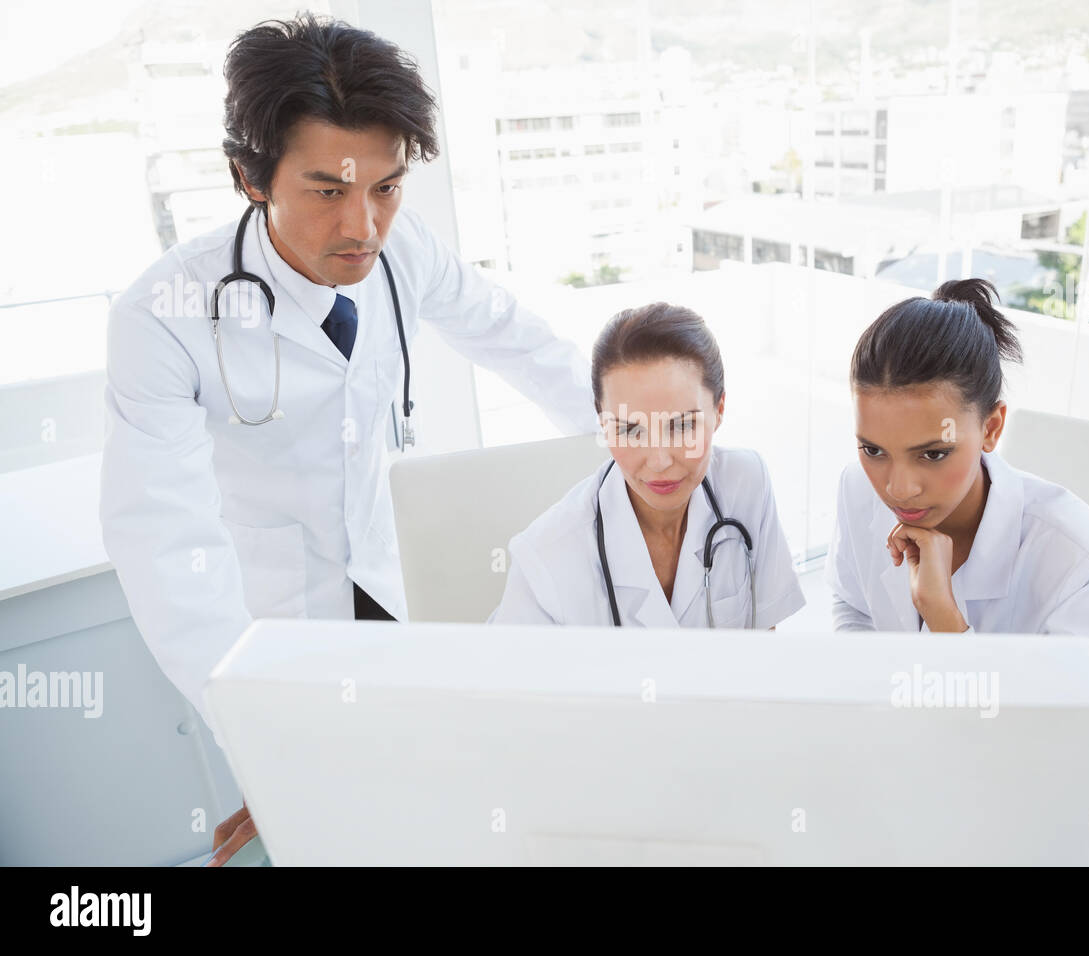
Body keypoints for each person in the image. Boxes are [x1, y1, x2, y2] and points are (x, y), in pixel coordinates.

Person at [98, 14, 595, 865]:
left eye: (388, 188)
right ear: (249, 177)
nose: (365, 226)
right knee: (328, 836)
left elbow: (516, 339)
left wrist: (639, 434)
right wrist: (260, 734)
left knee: (443, 818)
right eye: (329, 190)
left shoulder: (402, 254)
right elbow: (167, 546)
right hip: (270, 634)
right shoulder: (163, 317)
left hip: (398, 598)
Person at [825, 278, 1089, 846]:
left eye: (933, 454)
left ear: (991, 428)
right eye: (873, 450)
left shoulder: (1083, 558)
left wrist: (944, 619)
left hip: (1084, 805)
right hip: (934, 773)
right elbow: (851, 606)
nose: (899, 487)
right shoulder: (857, 489)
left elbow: (1050, 750)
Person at [490, 303, 806, 629]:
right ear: (602, 421)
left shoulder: (746, 482)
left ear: (719, 409)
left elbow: (764, 640)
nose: (659, 461)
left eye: (682, 426)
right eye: (630, 430)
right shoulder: (545, 557)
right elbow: (512, 677)